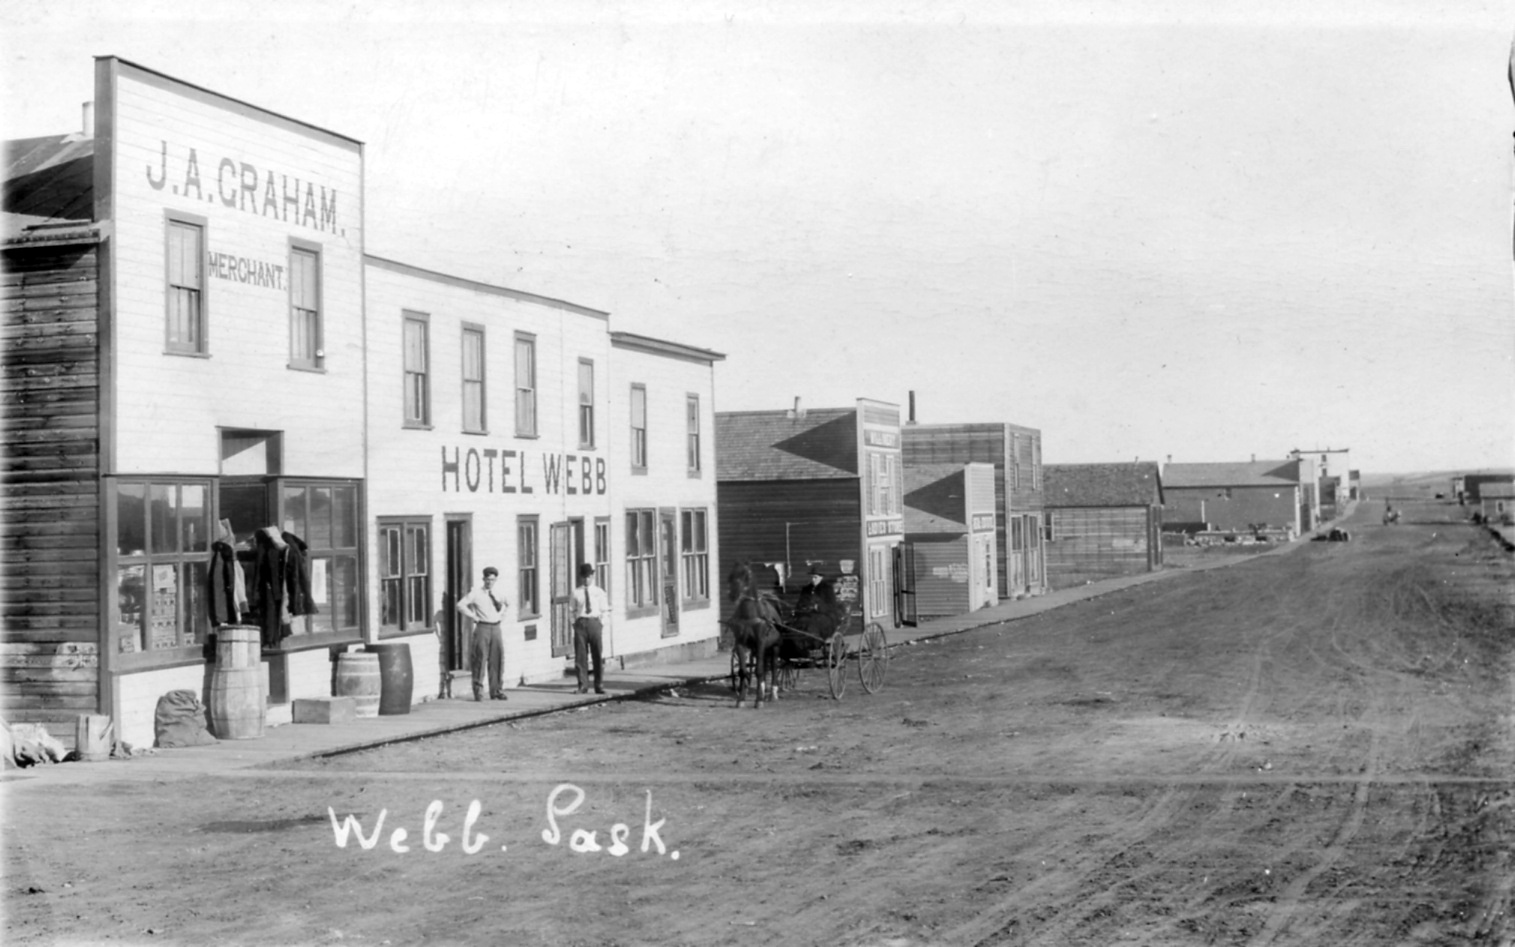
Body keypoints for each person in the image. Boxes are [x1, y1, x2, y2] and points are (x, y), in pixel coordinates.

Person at [455, 566, 508, 702]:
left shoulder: (499, 593)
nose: (489, 582)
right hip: (482, 627)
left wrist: (502, 616)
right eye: (487, 579)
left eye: (492, 579)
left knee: (497, 660)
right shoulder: (476, 593)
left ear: (495, 579)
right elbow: (460, 605)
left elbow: (507, 604)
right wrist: (473, 616)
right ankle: (478, 692)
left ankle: (496, 691)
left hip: (496, 628)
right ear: (483, 579)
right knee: (480, 659)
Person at [569, 562, 610, 695]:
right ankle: (583, 685)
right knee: (581, 657)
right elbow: (571, 610)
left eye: (588, 577)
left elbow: (605, 610)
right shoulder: (576, 592)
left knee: (597, 654)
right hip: (581, 624)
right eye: (584, 577)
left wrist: (601, 623)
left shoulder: (599, 592)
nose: (586, 579)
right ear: (581, 577)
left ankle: (599, 685)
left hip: (594, 623)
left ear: (592, 576)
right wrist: (574, 623)